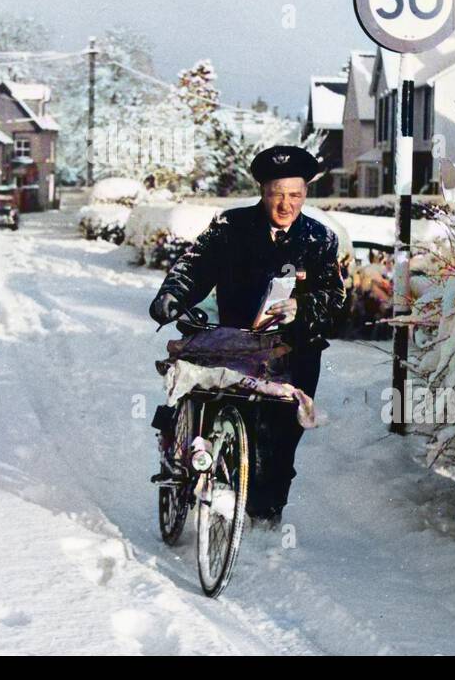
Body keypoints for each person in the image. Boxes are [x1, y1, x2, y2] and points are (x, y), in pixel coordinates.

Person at [148, 145, 345, 528]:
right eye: (276, 195)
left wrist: (303, 309)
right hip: (231, 342)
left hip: (291, 350)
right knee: (209, 400)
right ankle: (197, 469)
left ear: (305, 194)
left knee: (280, 441)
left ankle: (265, 517)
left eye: (294, 195)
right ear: (262, 192)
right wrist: (173, 295)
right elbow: (194, 267)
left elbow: (335, 298)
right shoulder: (231, 227)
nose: (285, 205)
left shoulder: (320, 239)